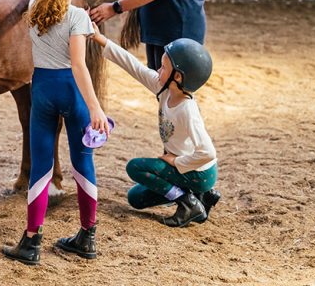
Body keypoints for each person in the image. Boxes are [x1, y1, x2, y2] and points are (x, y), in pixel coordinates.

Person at [3, 0, 111, 265]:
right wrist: (95, 106)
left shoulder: (35, 3)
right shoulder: (77, 16)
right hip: (71, 89)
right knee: (82, 163)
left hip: (43, 89)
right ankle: (87, 236)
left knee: (41, 166)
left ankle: (32, 240)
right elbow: (79, 65)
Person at [89, 23, 220, 227]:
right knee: (136, 198)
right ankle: (202, 197)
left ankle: (188, 202)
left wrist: (177, 161)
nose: (158, 69)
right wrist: (101, 40)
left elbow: (208, 153)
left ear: (177, 76)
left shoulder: (188, 110)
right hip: (188, 170)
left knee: (136, 167)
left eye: (163, 67)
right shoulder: (164, 89)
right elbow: (134, 66)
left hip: (198, 173)